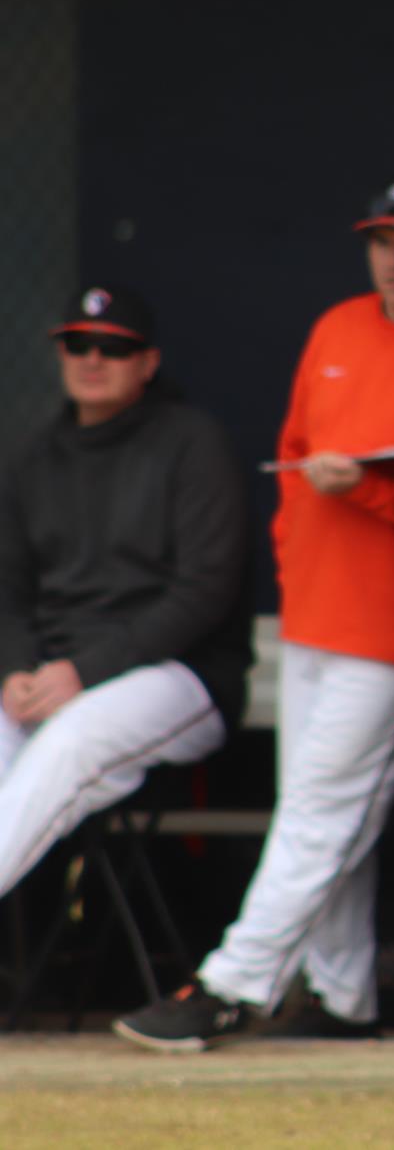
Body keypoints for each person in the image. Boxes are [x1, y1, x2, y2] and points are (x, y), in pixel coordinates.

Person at [113, 180, 394, 1051]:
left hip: (392, 627)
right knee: (320, 809)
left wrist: (370, 488)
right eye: (382, 242)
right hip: (313, 613)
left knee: (324, 809)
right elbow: (293, 455)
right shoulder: (337, 326)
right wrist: (299, 557)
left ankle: (230, 982)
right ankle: (343, 995)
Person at [0, 284, 250, 901]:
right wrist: (14, 669)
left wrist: (84, 671)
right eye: (78, 345)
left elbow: (205, 592)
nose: (92, 360)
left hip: (178, 676)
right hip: (52, 675)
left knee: (72, 740)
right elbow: (9, 591)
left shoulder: (192, 442)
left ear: (148, 362)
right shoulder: (33, 457)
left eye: (113, 349)